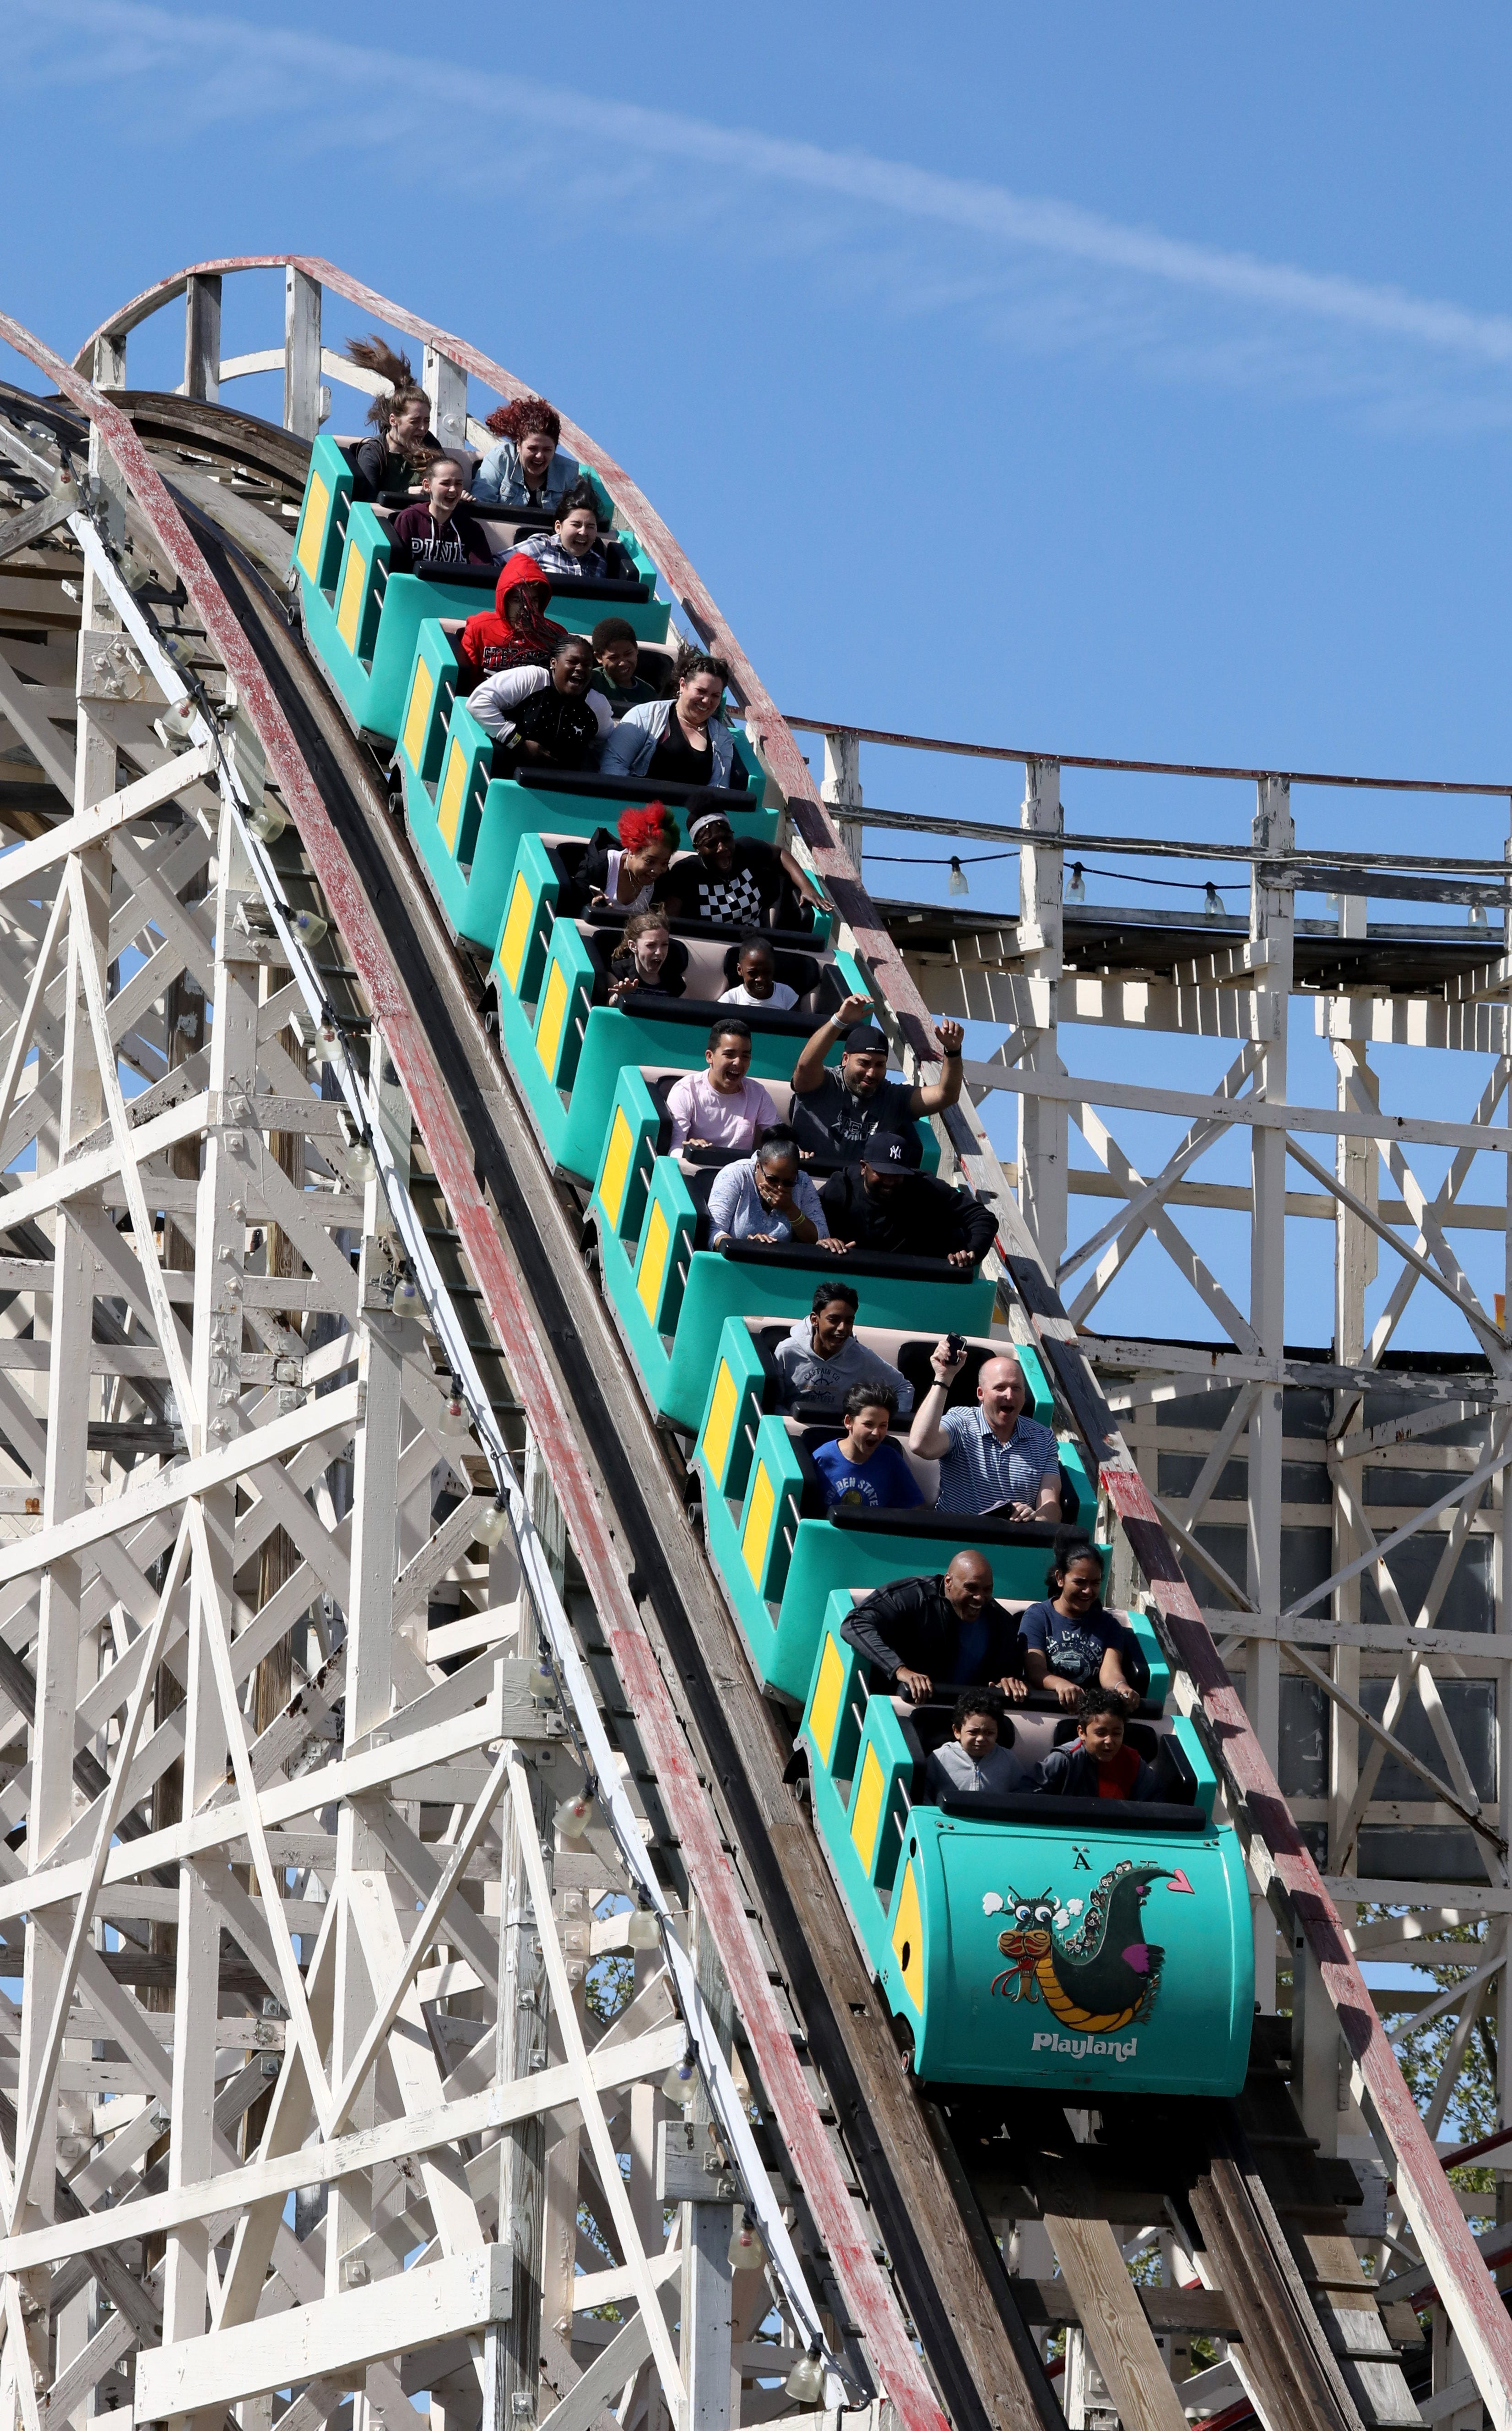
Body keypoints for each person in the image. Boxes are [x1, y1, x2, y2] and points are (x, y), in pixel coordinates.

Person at [842, 1553, 1029, 1704]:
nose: (980, 1598)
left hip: (966, 1718)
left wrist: (1008, 1680)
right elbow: (855, 1623)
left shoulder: (999, 1621)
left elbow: (1007, 1672)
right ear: (948, 1582)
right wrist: (899, 1669)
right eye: (971, 1588)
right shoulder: (916, 1597)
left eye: (987, 1590)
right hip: (909, 1710)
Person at [909, 1341, 1063, 1520]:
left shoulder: (1042, 1438)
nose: (1009, 1395)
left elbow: (1050, 1506)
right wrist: (943, 1379)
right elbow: (921, 1445)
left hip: (1013, 1541)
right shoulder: (961, 1422)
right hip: (956, 1538)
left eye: (1016, 1388)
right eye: (1000, 1388)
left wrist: (1033, 1519)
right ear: (981, 1394)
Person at [790, 1007, 966, 1161]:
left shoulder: (893, 1097)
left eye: (879, 1065)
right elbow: (805, 1066)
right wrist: (840, 1020)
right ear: (845, 1059)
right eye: (864, 1063)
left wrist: (953, 1051)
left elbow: (946, 1095)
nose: (871, 1073)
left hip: (861, 1188)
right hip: (810, 1175)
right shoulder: (824, 1083)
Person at [820, 1132, 996, 1267]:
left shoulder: (925, 1187)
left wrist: (970, 1251)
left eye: (897, 1174)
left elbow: (982, 1217)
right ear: (864, 1168)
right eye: (882, 1173)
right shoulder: (841, 1188)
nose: (889, 1181)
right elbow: (805, 1220)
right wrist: (821, 1240)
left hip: (910, 1282)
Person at [1020, 1531, 1146, 1711]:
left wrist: (1121, 1688)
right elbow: (1035, 1669)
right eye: (1080, 1583)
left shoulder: (1109, 1625)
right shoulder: (1038, 1616)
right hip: (1045, 1709)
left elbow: (1110, 1672)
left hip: (1089, 1714)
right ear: (1060, 1578)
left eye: (1095, 1583)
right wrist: (1060, 1685)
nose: (1088, 1591)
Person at [658, 798, 825, 929]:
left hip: (756, 943)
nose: (722, 848)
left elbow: (780, 853)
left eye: (727, 839)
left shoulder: (746, 849)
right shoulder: (686, 872)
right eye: (711, 844)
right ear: (698, 848)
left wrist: (806, 887)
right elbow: (670, 922)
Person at [600, 652, 749, 791]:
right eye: (701, 691)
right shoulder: (645, 715)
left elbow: (719, 788)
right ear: (683, 685)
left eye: (715, 696)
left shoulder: (722, 738)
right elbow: (614, 765)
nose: (707, 701)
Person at [467, 634, 611, 774]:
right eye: (572, 662)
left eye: (587, 665)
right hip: (508, 776)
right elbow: (478, 702)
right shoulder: (532, 679)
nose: (580, 669)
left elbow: (605, 742)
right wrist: (517, 743)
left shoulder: (597, 705)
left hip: (563, 787)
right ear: (553, 663)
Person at [773, 1283, 914, 1416]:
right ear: (815, 1320)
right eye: (834, 1320)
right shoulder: (787, 1352)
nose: (842, 1328)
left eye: (849, 1322)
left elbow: (903, 1387)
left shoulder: (860, 1356)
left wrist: (887, 1426)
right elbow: (773, 1403)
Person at [454, 554, 568, 688]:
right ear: (505, 600)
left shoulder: (556, 635)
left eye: (534, 600)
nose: (526, 608)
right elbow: (466, 684)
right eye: (517, 600)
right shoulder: (479, 628)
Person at [666, 1019, 777, 1153]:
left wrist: (794, 1151)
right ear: (710, 1057)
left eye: (745, 1057)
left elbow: (778, 1139)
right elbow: (675, 1149)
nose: (738, 1063)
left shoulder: (758, 1093)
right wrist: (689, 1150)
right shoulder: (687, 1091)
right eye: (729, 1055)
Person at [346, 336, 436, 501]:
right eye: (415, 421)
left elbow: (443, 482)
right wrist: (406, 496)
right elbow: (368, 504)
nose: (423, 428)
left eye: (427, 421)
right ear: (394, 420)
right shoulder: (374, 453)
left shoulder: (429, 443)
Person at [708, 1128, 830, 1248]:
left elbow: (821, 1237)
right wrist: (743, 1247)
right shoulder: (735, 1174)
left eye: (788, 1183)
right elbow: (713, 1231)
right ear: (758, 1167)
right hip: (735, 1263)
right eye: (772, 1180)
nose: (779, 1188)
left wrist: (790, 1209)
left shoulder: (802, 1182)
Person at [1032, 1687, 1159, 1802]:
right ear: (1082, 1733)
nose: (1109, 1741)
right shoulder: (1064, 1760)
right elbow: (1029, 1795)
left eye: (1116, 1733)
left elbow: (1154, 1804)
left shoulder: (1133, 1762)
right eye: (1101, 1733)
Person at [812, 1384, 925, 1513]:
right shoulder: (823, 1458)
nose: (876, 1433)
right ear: (849, 1422)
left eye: (883, 1426)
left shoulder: (890, 1459)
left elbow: (915, 1508)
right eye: (868, 1424)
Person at [471, 395, 583, 512]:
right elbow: (480, 507)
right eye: (533, 448)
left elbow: (579, 518)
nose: (539, 456)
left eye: (547, 450)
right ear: (519, 445)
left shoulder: (569, 473)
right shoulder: (500, 459)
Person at [565, 804, 681, 915]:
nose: (657, 870)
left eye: (665, 863)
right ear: (632, 851)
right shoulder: (598, 867)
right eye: (650, 862)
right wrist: (591, 912)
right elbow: (570, 912)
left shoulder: (663, 880)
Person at [390, 454, 495, 572]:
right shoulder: (410, 519)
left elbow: (484, 573)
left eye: (459, 484)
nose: (453, 489)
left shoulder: (471, 529)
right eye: (446, 483)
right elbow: (397, 568)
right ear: (427, 486)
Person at [925, 1690, 1031, 1800]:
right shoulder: (940, 1758)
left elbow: (1021, 1795)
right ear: (957, 1731)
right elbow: (924, 1792)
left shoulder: (1008, 1760)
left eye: (989, 1733)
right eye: (973, 1732)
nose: (981, 1739)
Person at [510, 482, 618, 582]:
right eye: (576, 525)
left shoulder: (599, 563)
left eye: (590, 527)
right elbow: (498, 565)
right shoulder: (542, 546)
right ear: (558, 527)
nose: (583, 532)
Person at [607, 911, 683, 1006]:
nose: (659, 952)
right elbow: (607, 1007)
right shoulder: (619, 972)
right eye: (651, 945)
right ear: (633, 946)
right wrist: (620, 995)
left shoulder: (672, 977)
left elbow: (685, 1009)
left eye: (664, 945)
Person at [589, 617, 661, 714]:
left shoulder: (648, 693)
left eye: (628, 654)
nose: (623, 663)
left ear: (636, 649)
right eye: (614, 658)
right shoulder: (591, 681)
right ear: (599, 657)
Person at [721, 935, 798, 1011]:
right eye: (752, 973)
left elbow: (797, 1022)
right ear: (740, 970)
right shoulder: (732, 999)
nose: (760, 979)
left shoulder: (785, 994)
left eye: (767, 972)